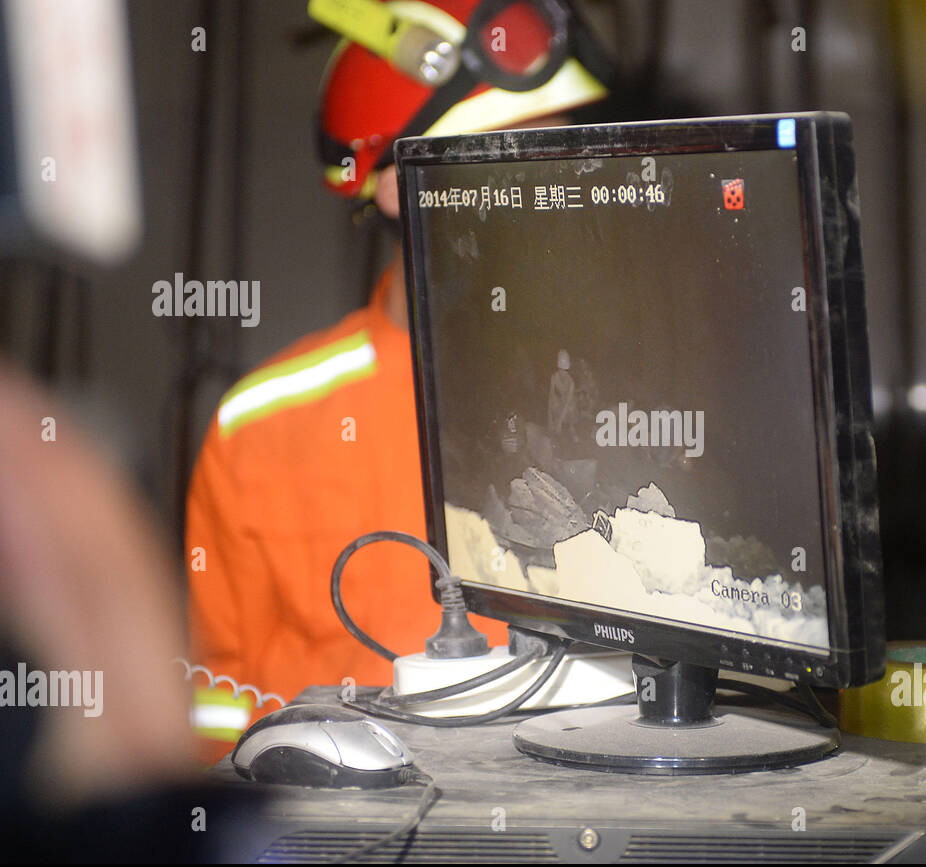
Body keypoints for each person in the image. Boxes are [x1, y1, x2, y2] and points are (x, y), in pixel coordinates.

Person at [185, 0, 614, 748]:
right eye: (512, 149)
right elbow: (212, 715)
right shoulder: (260, 430)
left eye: (563, 147)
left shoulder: (647, 389)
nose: (560, 183)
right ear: (396, 184)